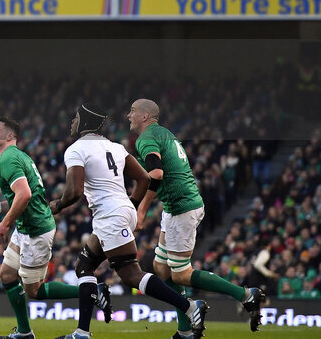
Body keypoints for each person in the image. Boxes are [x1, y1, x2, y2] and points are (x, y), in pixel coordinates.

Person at [50, 105, 208, 339]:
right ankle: (82, 332)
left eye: (76, 118)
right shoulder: (115, 147)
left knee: (131, 274)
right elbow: (143, 178)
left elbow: (74, 192)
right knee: (84, 266)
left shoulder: (76, 149)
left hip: (110, 215)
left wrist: (58, 205)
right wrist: (131, 206)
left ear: (84, 123)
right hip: (118, 210)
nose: (72, 121)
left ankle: (190, 307)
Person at [127, 99, 265, 335]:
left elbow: (156, 173)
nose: (128, 115)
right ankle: (185, 330)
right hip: (175, 206)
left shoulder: (147, 137)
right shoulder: (164, 133)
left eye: (132, 111)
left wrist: (141, 209)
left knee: (180, 274)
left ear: (145, 116)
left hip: (182, 208)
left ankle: (243, 295)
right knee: (161, 268)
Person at [0, 116, 105, 339]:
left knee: (35, 291)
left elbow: (24, 195)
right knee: (7, 275)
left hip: (36, 230)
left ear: (10, 136)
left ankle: (91, 290)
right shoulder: (17, 156)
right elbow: (22, 198)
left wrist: (5, 223)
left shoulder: (8, 158)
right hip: (27, 227)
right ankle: (24, 333)